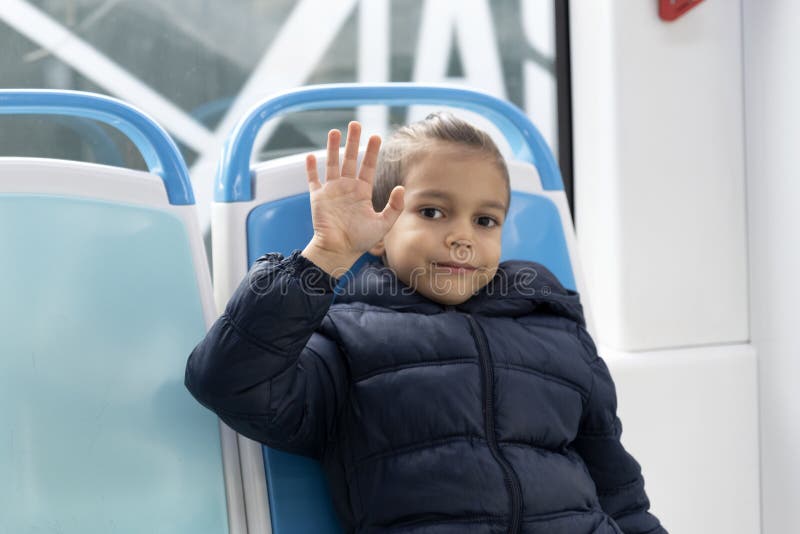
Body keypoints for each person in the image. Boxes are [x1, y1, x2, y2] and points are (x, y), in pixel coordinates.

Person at [185, 113, 667, 534]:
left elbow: (620, 493)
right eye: (432, 212)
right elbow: (229, 382)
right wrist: (324, 258)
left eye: (485, 221)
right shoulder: (346, 339)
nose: (461, 236)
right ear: (380, 229)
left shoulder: (558, 331)